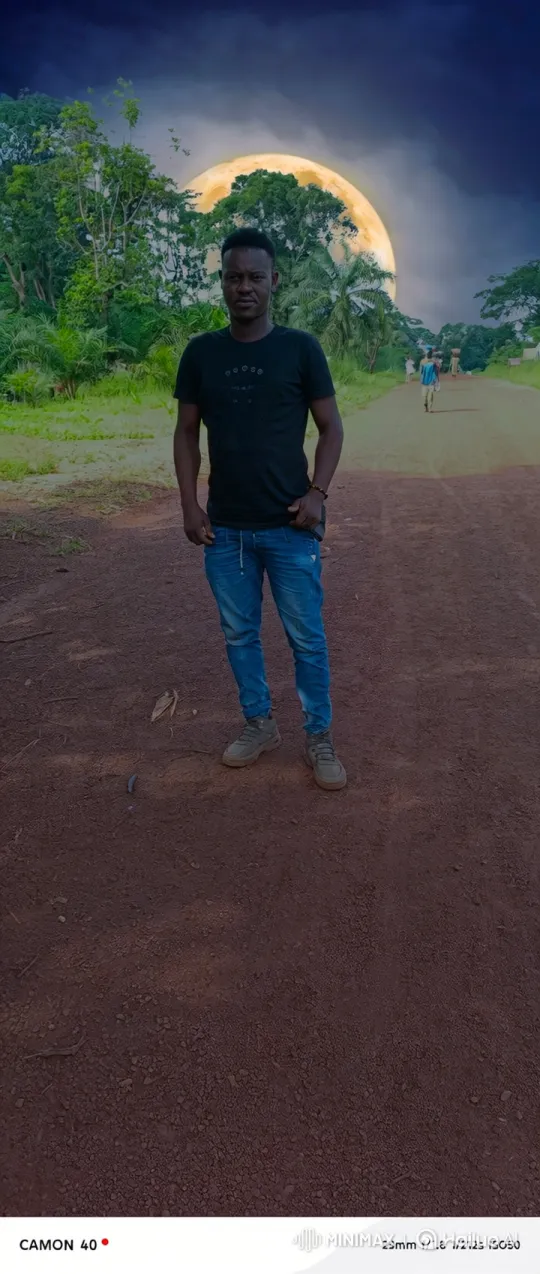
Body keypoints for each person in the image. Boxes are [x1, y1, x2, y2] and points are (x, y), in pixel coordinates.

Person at [173, 226, 347, 791]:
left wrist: (318, 494)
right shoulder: (201, 353)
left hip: (291, 526)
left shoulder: (300, 349)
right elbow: (186, 432)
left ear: (274, 280)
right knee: (239, 634)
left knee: (307, 638)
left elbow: (331, 427)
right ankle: (259, 724)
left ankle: (318, 737)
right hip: (225, 530)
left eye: (254, 277)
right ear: (222, 283)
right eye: (233, 277)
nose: (243, 286)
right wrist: (190, 505)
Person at [419, 347, 439, 412]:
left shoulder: (422, 361)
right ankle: (428, 408)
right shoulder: (433, 362)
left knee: (426, 395)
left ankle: (427, 408)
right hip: (430, 381)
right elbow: (436, 371)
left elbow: (421, 371)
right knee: (429, 395)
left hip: (426, 381)